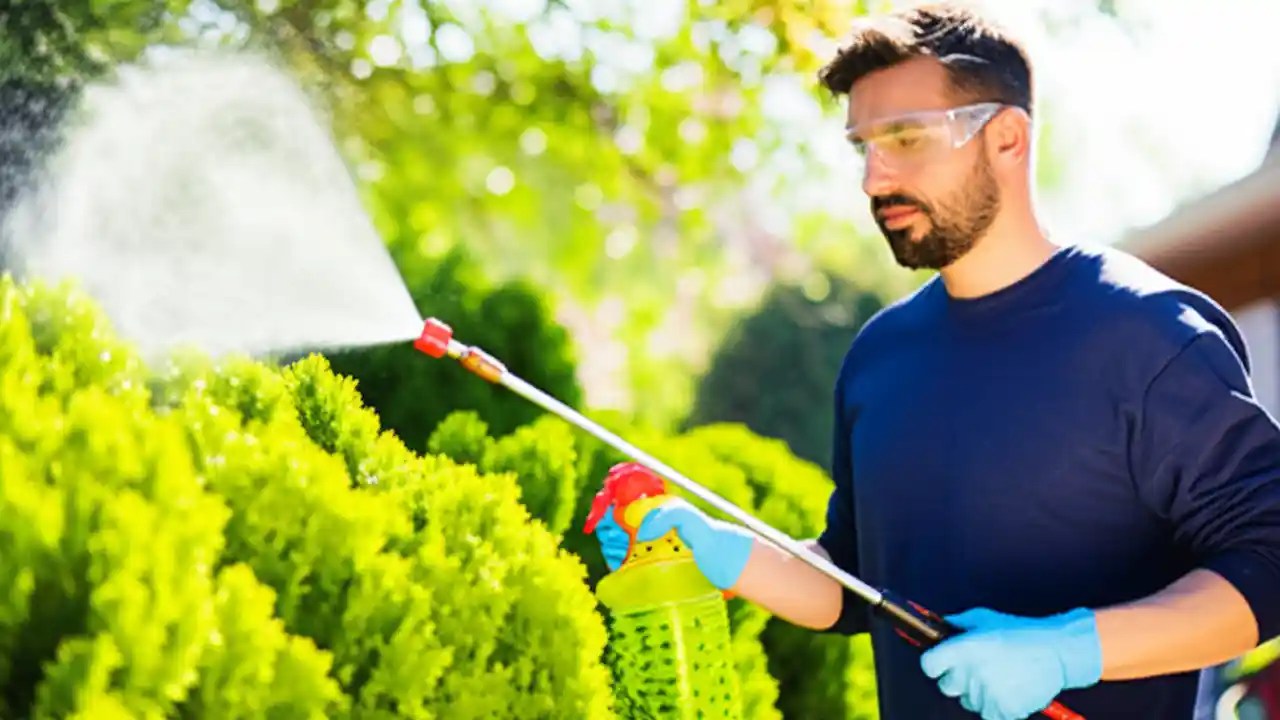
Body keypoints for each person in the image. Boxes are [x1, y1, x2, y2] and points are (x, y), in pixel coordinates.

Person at [589, 3, 1280, 719]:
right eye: (863, 146)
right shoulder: (881, 358)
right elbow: (852, 584)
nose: (872, 179)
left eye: (907, 139)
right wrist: (723, 549)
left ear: (1007, 138)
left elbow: (1270, 561)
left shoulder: (1150, 336)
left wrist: (1067, 648)